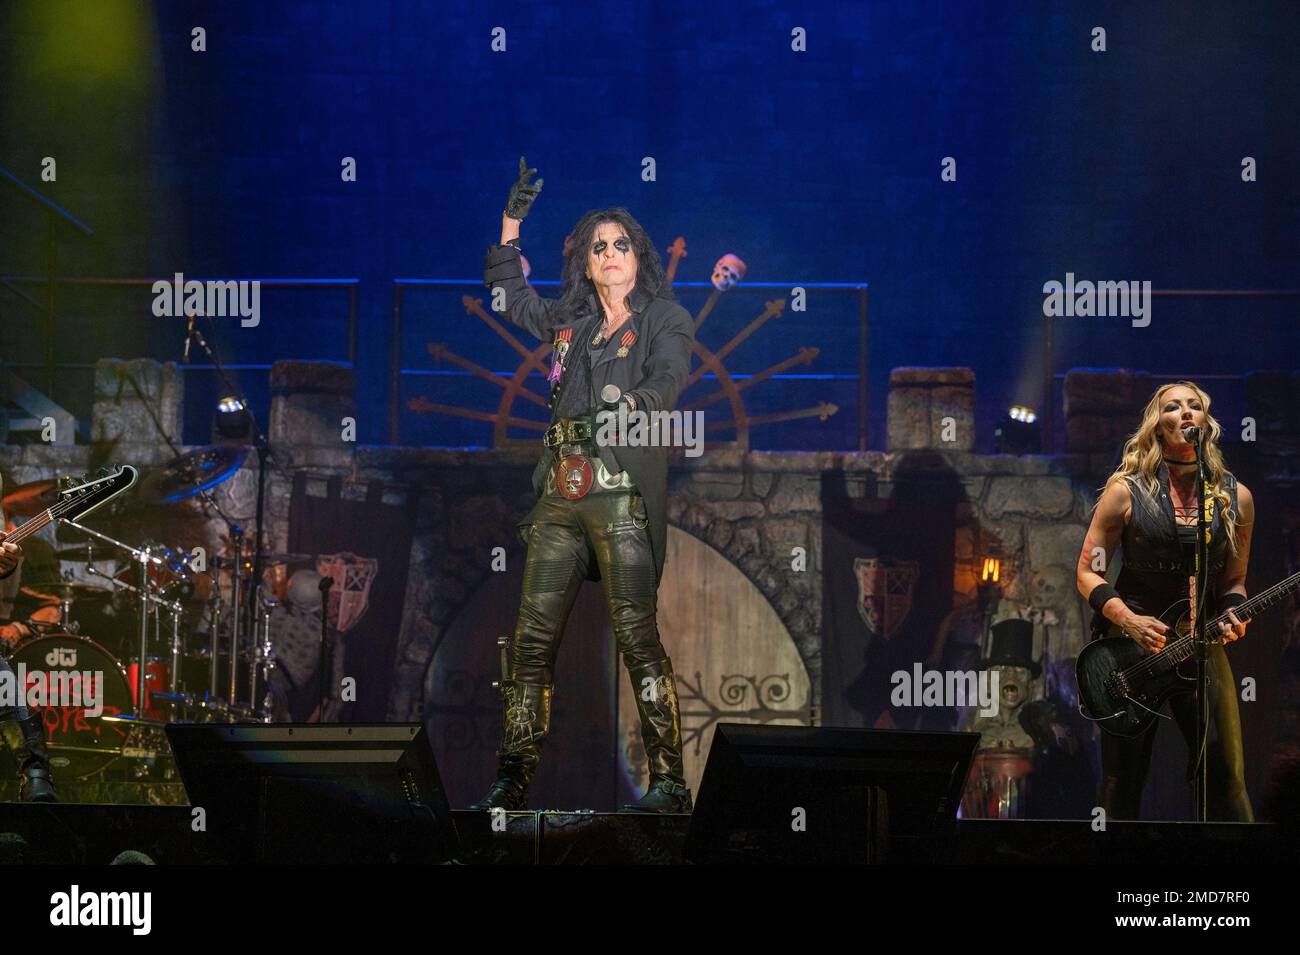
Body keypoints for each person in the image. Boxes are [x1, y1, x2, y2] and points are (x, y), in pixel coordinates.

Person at [471, 157, 695, 812]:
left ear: (636, 255)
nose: (610, 253)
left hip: (620, 490)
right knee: (533, 638)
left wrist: (637, 406)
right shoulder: (570, 322)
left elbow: (669, 379)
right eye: (599, 247)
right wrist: (512, 221)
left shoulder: (664, 317)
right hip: (561, 496)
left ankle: (671, 781)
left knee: (635, 631)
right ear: (588, 262)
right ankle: (512, 778)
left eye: (620, 243)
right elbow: (513, 298)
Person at [1075, 381, 1252, 820]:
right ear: (1158, 425)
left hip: (1201, 643)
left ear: (1206, 423)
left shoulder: (1235, 497)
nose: (1186, 413)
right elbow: (1086, 571)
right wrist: (1127, 619)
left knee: (1225, 773)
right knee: (1123, 776)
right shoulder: (1125, 491)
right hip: (1133, 648)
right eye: (1174, 407)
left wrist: (1234, 613)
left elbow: (1235, 580)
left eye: (1195, 406)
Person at [0, 485, 57, 802]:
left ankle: (37, 778)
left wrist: (4, 568)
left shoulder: (26, 544)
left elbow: (51, 604)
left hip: (7, 626)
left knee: (8, 692)